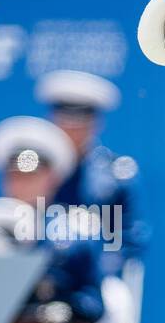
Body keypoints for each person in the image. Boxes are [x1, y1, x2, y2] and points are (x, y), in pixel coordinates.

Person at [0, 116, 106, 323]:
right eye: (15, 175)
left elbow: (93, 301)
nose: (22, 184)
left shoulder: (76, 233)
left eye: (32, 175)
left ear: (52, 178)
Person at [35, 70, 145, 272]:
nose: (72, 133)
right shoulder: (36, 170)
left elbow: (128, 239)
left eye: (79, 125)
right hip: (37, 272)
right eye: (65, 124)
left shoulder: (116, 176)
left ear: (96, 124)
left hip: (94, 281)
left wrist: (99, 272)